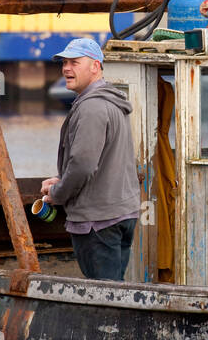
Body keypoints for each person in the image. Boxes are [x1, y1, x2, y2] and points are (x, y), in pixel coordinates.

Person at [40, 38, 140, 280]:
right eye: (64, 63)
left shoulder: (92, 107)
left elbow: (84, 165)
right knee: (115, 290)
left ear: (95, 66)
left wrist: (58, 193)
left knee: (104, 296)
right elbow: (100, 160)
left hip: (99, 219)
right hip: (121, 213)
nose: (66, 68)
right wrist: (62, 178)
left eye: (75, 62)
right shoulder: (110, 101)